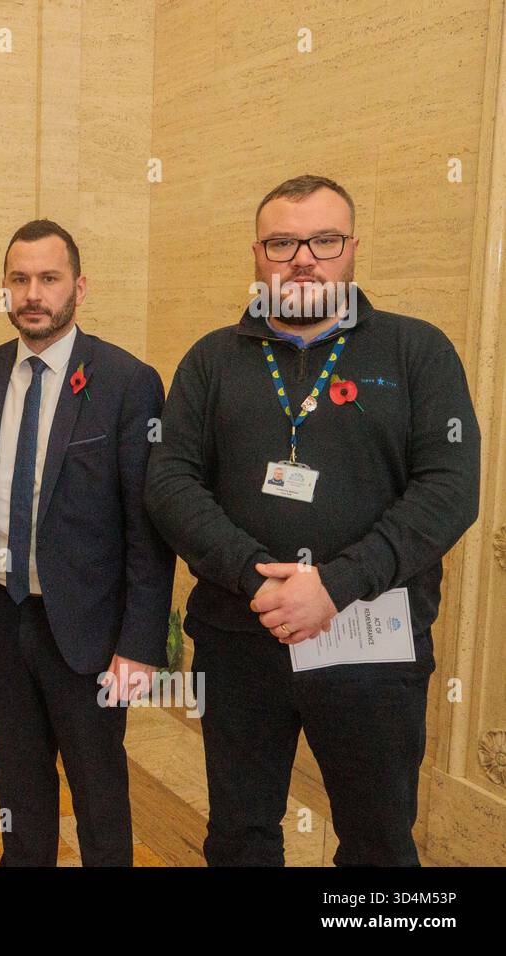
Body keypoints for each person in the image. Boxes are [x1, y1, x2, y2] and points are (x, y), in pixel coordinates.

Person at [145, 174, 481, 866]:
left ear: (353, 248)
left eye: (324, 240)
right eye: (282, 242)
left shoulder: (417, 352)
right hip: (240, 639)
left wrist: (335, 585)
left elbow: (449, 489)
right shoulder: (211, 360)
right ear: (257, 253)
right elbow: (170, 483)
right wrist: (253, 579)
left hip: (369, 641)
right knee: (238, 836)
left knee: (378, 843)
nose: (303, 257)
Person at [0, 219, 175, 866]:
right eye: (19, 279)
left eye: (48, 278)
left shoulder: (127, 382)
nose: (33, 293)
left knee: (99, 794)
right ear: (5, 289)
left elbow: (147, 531)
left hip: (90, 631)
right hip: (1, 614)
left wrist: (139, 644)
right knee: (18, 786)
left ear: (80, 287)